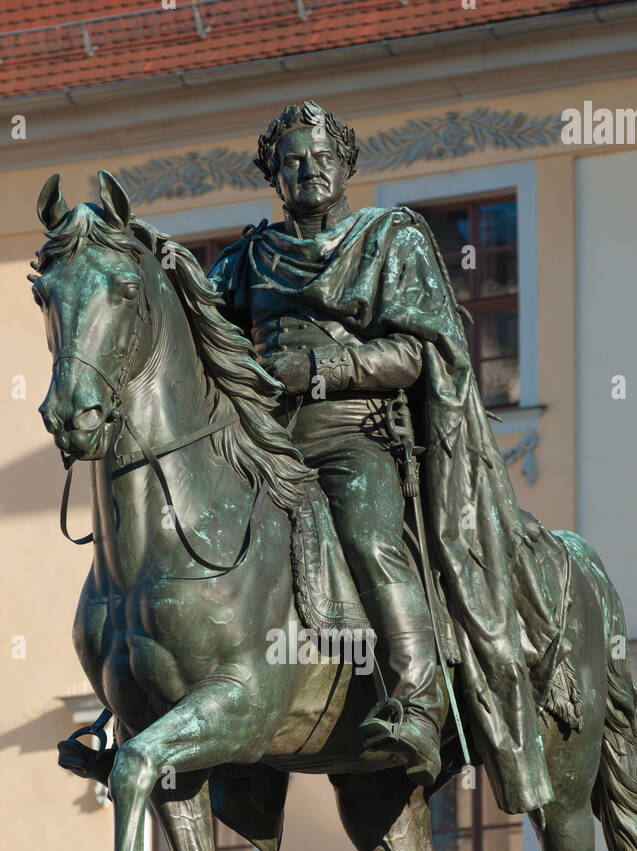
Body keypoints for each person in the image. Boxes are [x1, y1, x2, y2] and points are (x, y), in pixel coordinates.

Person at [209, 100, 562, 812]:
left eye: (320, 157)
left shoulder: (388, 238)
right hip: (262, 443)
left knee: (370, 537)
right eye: (292, 161)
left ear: (344, 166)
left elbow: (422, 350)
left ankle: (416, 699)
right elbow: (194, 329)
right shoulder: (249, 258)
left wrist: (321, 370)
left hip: (354, 434)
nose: (308, 169)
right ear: (273, 176)